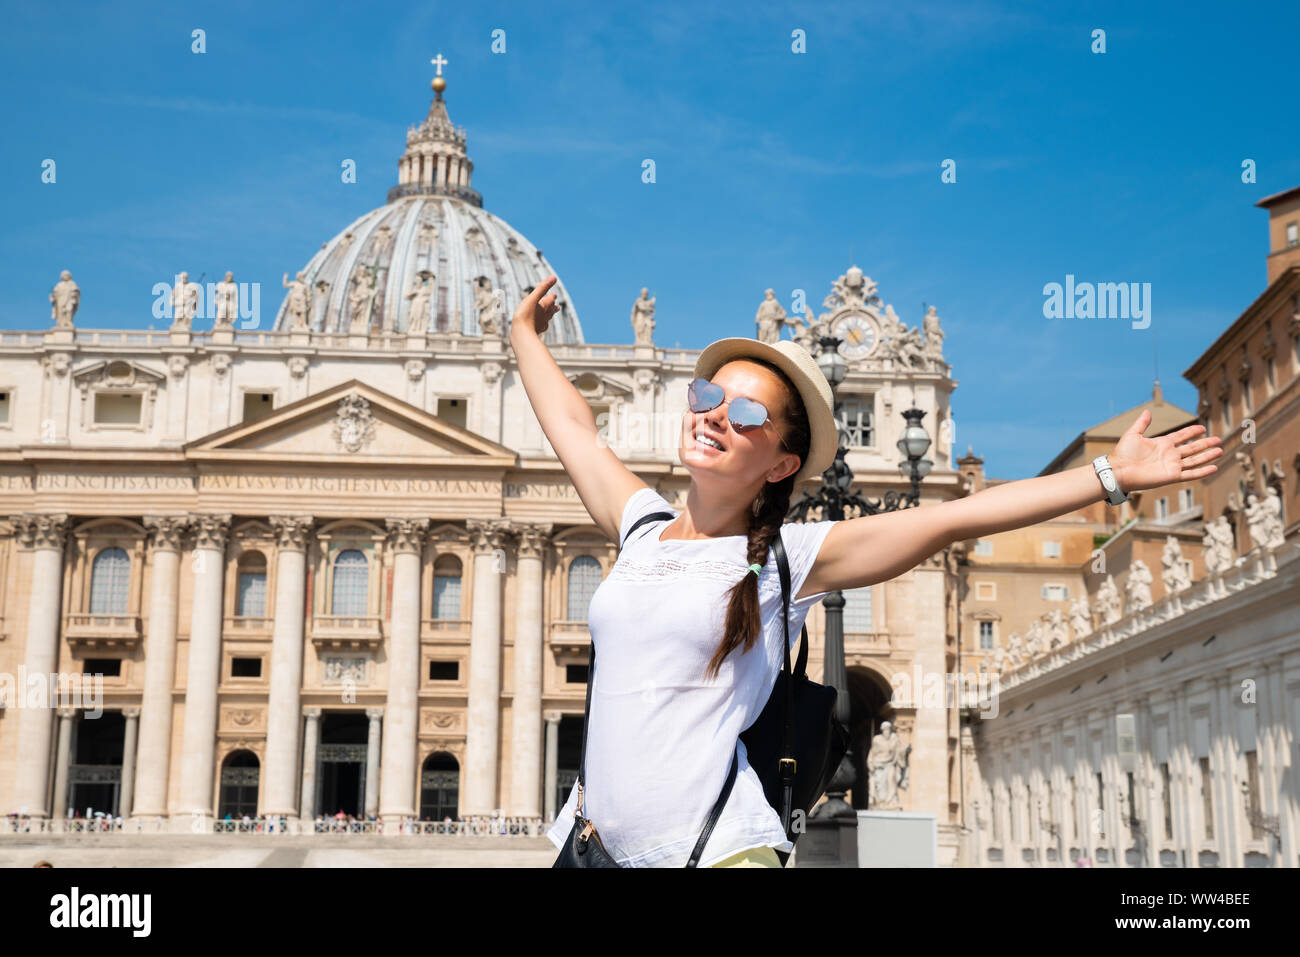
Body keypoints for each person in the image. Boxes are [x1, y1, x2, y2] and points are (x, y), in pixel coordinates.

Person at [513, 275, 1222, 868]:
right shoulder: (638, 525)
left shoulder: (786, 558)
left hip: (717, 854)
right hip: (590, 851)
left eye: (746, 411)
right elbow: (574, 425)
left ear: (783, 463)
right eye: (706, 397)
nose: (714, 416)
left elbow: (949, 519)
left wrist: (1108, 475)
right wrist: (524, 335)